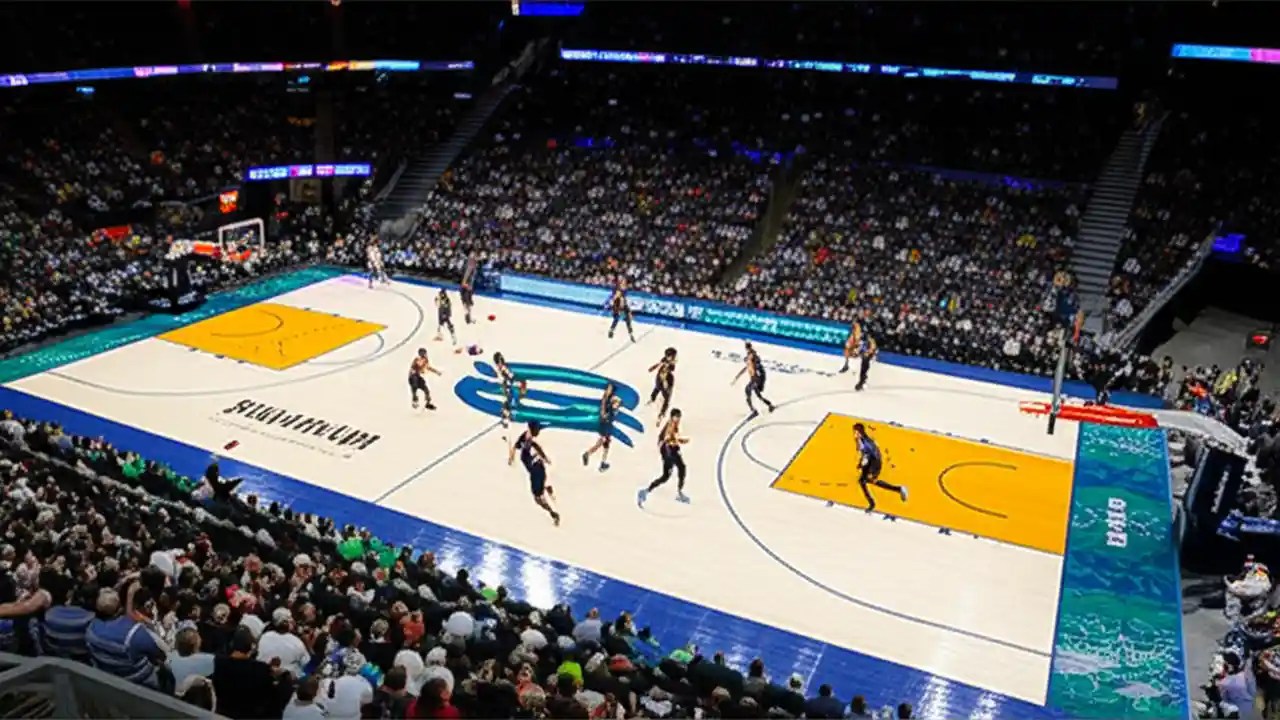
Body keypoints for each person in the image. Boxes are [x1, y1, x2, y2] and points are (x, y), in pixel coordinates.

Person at [509, 421, 561, 526]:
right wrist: (512, 457)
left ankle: (553, 513)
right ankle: (549, 491)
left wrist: (512, 457)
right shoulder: (525, 438)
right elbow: (517, 446)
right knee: (543, 480)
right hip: (539, 468)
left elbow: (532, 445)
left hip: (535, 472)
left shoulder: (529, 442)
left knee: (537, 498)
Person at [638, 408, 689, 507]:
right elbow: (666, 438)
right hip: (668, 452)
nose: (679, 419)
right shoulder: (670, 425)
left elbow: (672, 438)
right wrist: (674, 444)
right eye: (677, 417)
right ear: (672, 417)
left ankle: (679, 491)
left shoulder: (674, 424)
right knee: (667, 476)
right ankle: (649, 489)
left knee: (681, 468)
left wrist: (679, 441)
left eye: (679, 417)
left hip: (672, 450)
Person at [853, 423, 907, 512]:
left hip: (874, 463)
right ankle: (872, 502)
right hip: (870, 462)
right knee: (862, 481)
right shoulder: (862, 439)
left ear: (860, 432)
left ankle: (898, 489)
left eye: (856, 432)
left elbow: (870, 454)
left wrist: (865, 465)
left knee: (869, 480)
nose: (854, 434)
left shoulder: (866, 442)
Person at [583, 385, 621, 472]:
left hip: (606, 426)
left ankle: (602, 462)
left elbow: (606, 401)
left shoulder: (608, 406)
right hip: (605, 427)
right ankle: (588, 454)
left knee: (606, 445)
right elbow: (605, 400)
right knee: (601, 443)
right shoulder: (607, 406)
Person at [732, 341, 775, 419]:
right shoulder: (749, 357)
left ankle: (753, 410)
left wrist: (760, 379)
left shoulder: (753, 356)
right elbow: (746, 368)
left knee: (748, 390)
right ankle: (769, 405)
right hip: (754, 378)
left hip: (756, 378)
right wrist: (737, 377)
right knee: (757, 395)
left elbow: (757, 366)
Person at [647, 347, 677, 421]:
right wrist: (665, 382)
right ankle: (662, 412)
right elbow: (664, 371)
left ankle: (652, 399)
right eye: (673, 356)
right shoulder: (670, 363)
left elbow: (661, 365)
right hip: (664, 380)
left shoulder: (667, 361)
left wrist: (653, 368)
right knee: (666, 397)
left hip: (661, 379)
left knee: (657, 389)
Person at [494, 352, 520, 428]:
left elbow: (511, 377)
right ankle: (506, 419)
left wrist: (508, 385)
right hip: (508, 388)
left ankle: (507, 420)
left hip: (510, 389)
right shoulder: (502, 368)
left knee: (507, 405)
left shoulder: (504, 369)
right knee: (506, 405)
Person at [460, 252, 477, 325]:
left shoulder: (469, 265)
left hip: (466, 286)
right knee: (468, 303)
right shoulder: (471, 267)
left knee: (465, 302)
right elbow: (467, 275)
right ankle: (468, 316)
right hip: (467, 286)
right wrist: (464, 283)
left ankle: (467, 315)